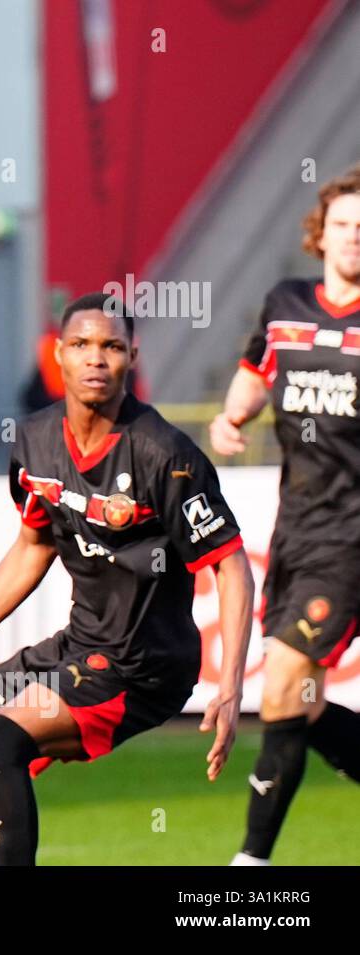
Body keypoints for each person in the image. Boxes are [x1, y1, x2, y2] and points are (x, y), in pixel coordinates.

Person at [0, 292, 254, 866]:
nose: (96, 358)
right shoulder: (35, 440)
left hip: (144, 667)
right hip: (76, 648)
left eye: (111, 346)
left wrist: (231, 687)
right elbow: (33, 545)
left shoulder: (166, 455)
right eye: (82, 345)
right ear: (57, 355)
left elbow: (231, 566)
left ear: (131, 356)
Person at [210, 165, 360, 865]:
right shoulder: (287, 304)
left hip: (352, 539)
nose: (354, 238)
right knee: (297, 698)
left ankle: (250, 865)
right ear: (320, 233)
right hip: (295, 530)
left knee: (283, 686)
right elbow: (252, 375)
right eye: (343, 225)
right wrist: (228, 420)